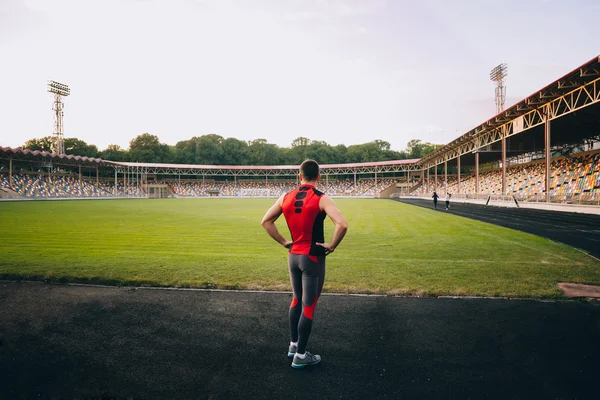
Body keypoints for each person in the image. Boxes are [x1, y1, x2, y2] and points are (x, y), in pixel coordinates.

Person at [261, 159, 348, 369]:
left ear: (299, 176)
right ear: (319, 176)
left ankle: (293, 345)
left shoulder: (285, 197)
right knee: (309, 305)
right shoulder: (322, 198)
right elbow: (342, 224)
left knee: (296, 300)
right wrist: (332, 245)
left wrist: (284, 242)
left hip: (293, 256)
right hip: (313, 258)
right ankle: (301, 355)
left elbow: (266, 221)